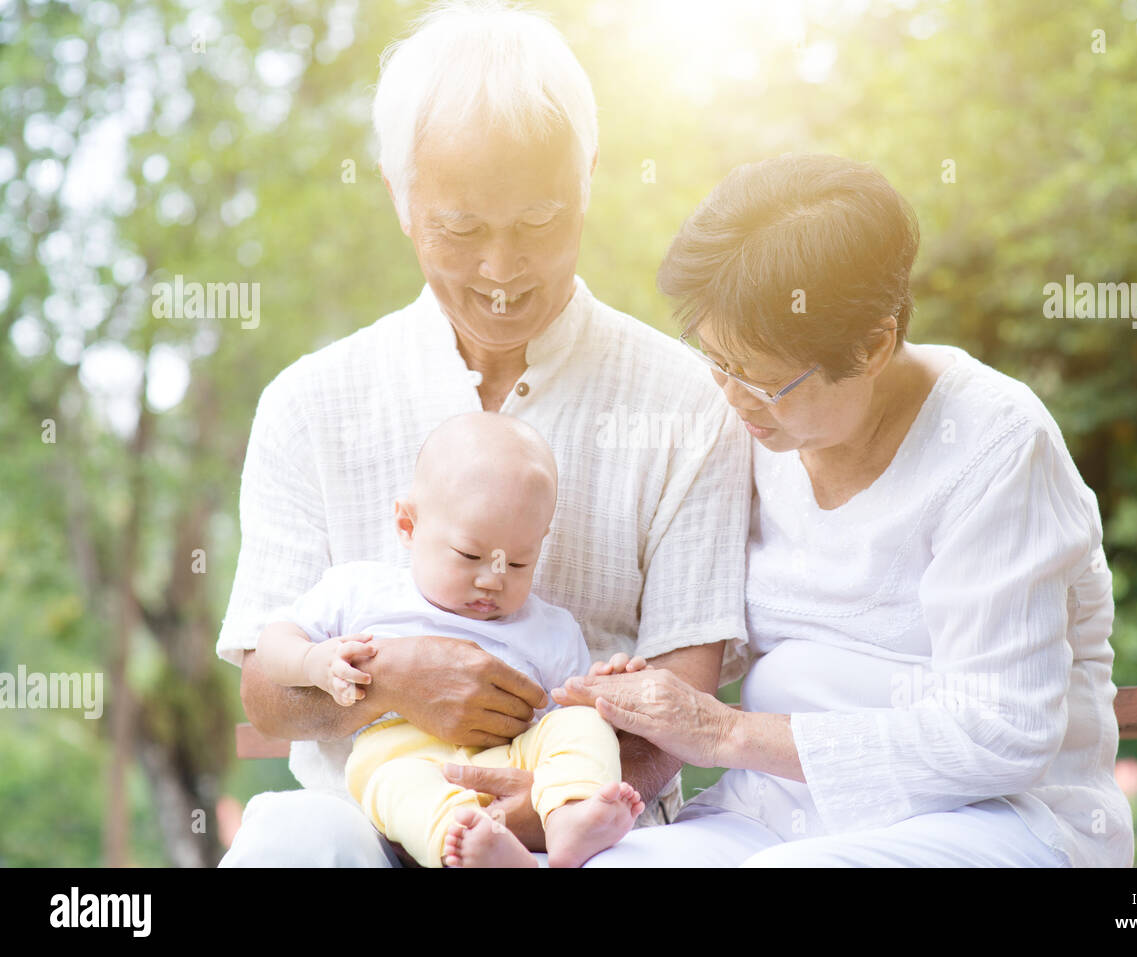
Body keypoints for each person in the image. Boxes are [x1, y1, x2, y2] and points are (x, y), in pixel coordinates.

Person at [217, 0, 749, 866]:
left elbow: (683, 705)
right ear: (399, 198)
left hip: (596, 825)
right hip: (369, 812)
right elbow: (269, 699)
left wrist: (545, 809)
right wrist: (390, 680)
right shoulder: (309, 402)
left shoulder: (688, 403)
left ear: (588, 178)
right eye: (460, 230)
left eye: (538, 223)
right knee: (286, 840)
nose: (502, 272)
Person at [561, 153, 1136, 867]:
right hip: (777, 810)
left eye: (765, 379)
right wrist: (619, 708)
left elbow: (1002, 732)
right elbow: (715, 633)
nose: (733, 396)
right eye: (716, 360)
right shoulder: (749, 430)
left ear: (873, 345)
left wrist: (726, 733)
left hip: (997, 818)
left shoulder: (995, 442)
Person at [253, 413, 644, 868]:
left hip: (514, 759)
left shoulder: (552, 629)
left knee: (581, 727)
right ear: (408, 526)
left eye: (518, 563)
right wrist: (313, 661)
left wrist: (602, 694)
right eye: (470, 555)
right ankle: (467, 844)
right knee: (393, 785)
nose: (492, 580)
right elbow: (272, 641)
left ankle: (570, 818)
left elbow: (563, 717)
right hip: (404, 755)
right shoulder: (361, 593)